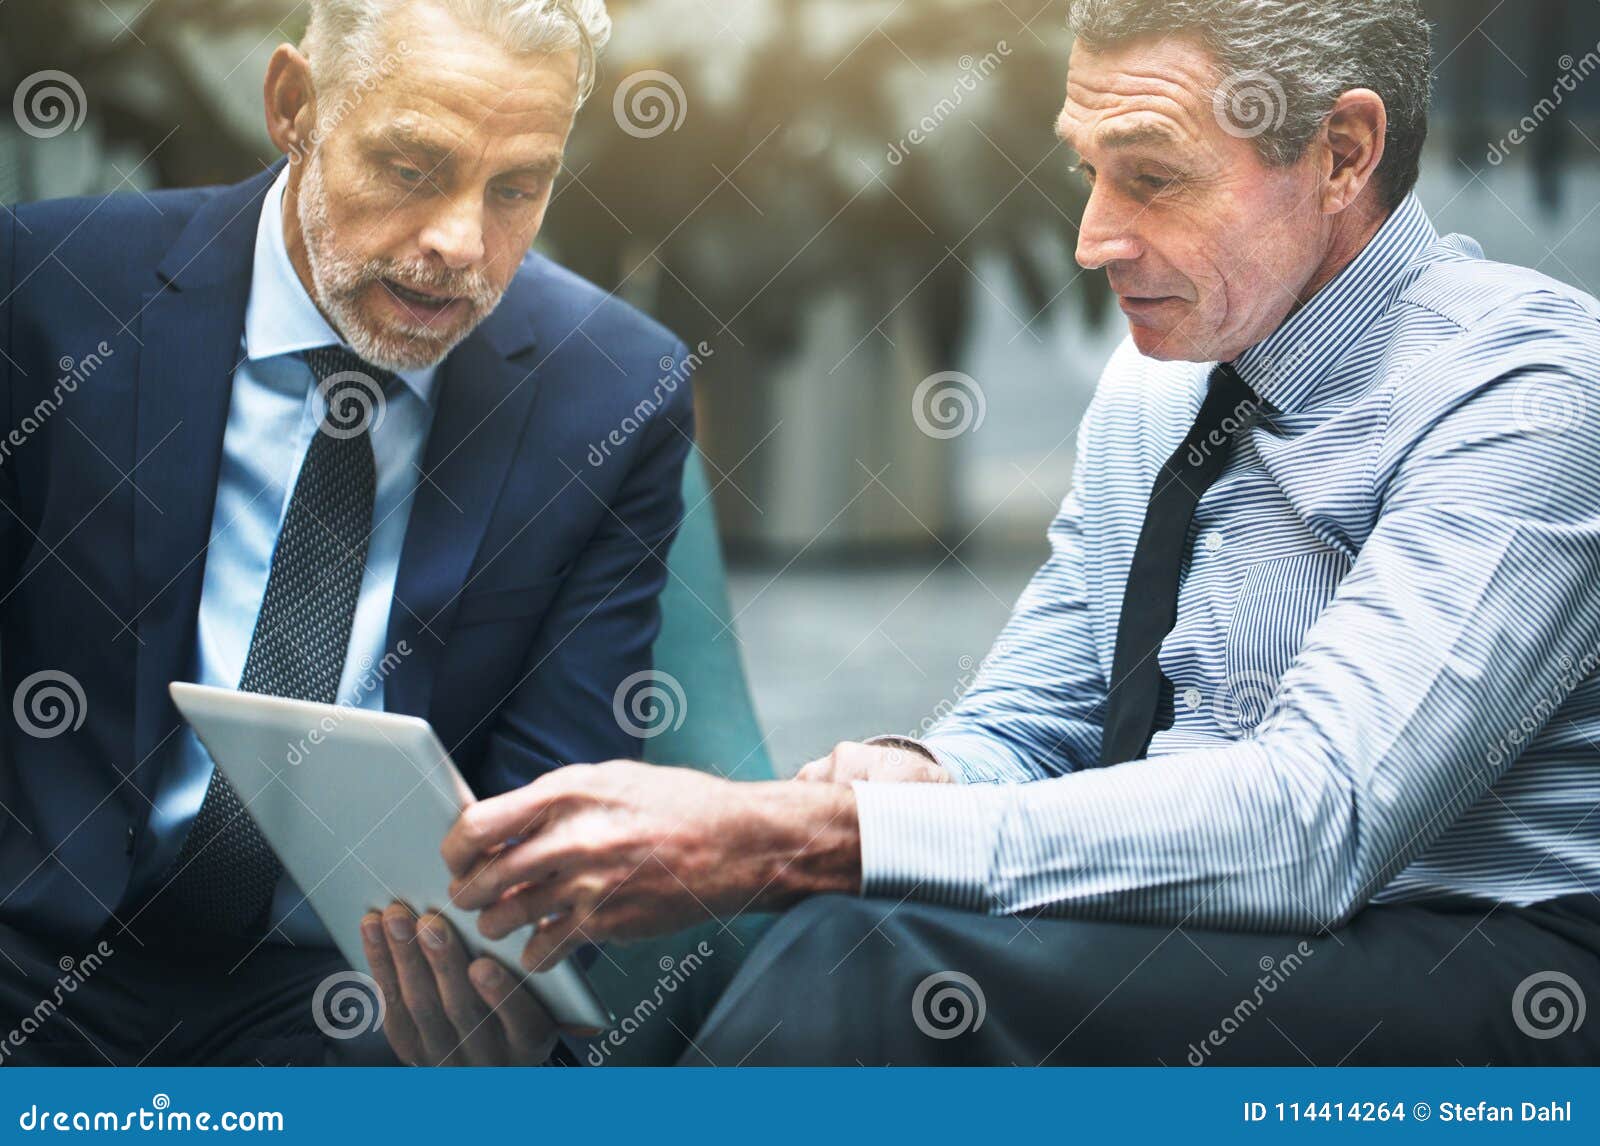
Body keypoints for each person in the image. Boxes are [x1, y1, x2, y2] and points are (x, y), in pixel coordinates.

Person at [398, 0, 1600, 1065]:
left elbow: (1314, 820)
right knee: (745, 937)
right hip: (1204, 920)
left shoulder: (1530, 396)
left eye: (1154, 176)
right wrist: (921, 776)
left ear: (1341, 154)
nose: (1092, 237)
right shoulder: (1162, 388)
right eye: (1089, 171)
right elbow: (1038, 714)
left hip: (1474, 954)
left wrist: (817, 831)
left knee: (866, 965)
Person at [0, 0, 696, 1065]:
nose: (459, 245)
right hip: (29, 943)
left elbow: (559, 795)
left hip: (357, 989)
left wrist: (504, 977)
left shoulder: (608, 391)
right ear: (294, 105)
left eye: (516, 188)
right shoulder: (47, 293)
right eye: (414, 166)